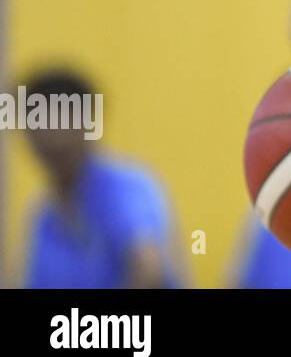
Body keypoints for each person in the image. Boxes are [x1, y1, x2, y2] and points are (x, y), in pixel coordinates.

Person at [20, 68, 181, 288]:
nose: (55, 137)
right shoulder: (43, 216)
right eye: (41, 123)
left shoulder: (126, 189)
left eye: (65, 122)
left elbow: (149, 268)